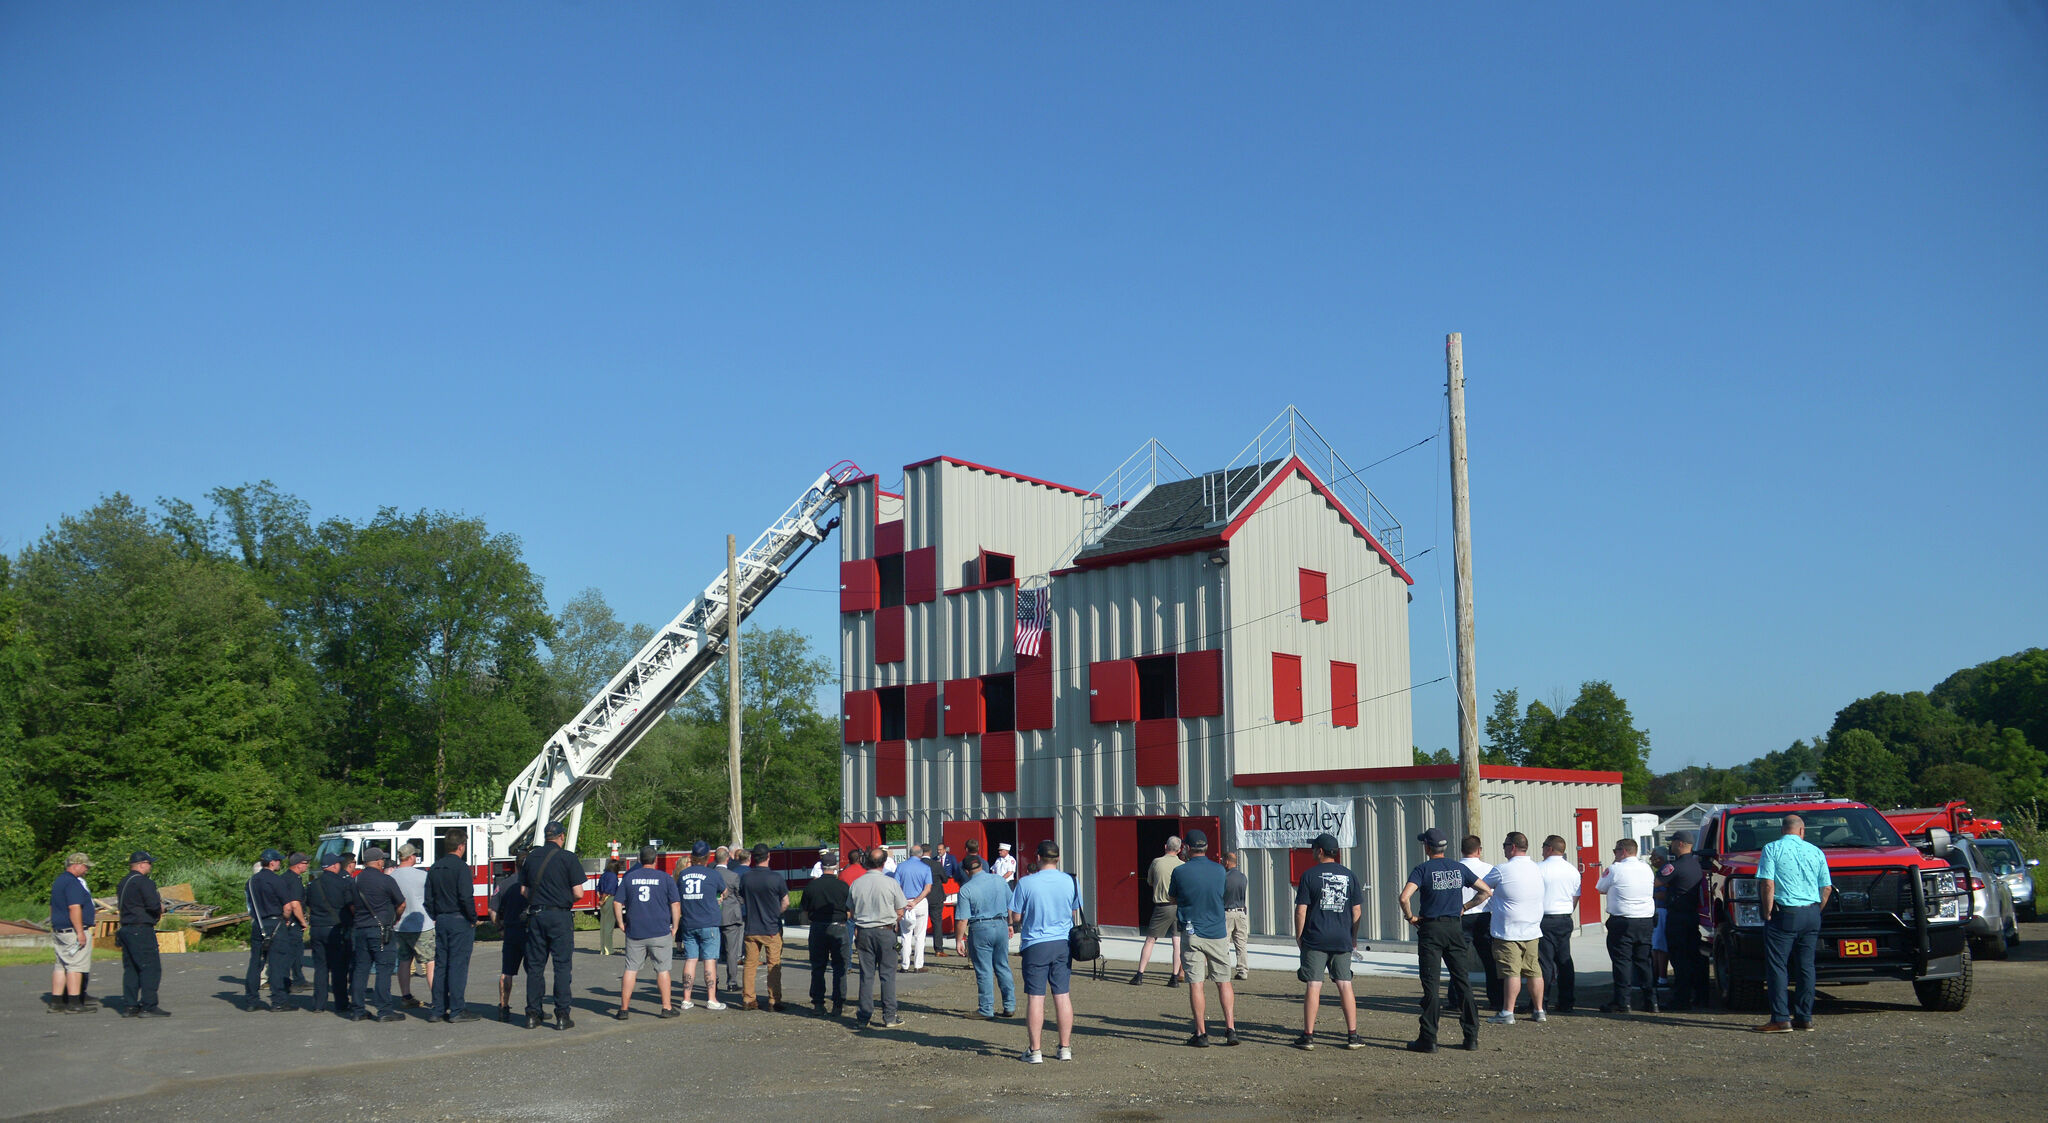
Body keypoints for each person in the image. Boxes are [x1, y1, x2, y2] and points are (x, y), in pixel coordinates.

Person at [1399, 826, 1491, 1052]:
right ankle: (1471, 1037)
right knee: (1463, 982)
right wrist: (1464, 907)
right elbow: (1486, 891)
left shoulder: (1422, 869)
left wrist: (1411, 917)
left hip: (1431, 929)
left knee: (1431, 985)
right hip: (1454, 928)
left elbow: (1404, 897)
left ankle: (1428, 1038)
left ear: (1427, 847)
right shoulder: (1458, 868)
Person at [1753, 813, 1832, 1033]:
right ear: (1802, 830)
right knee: (1806, 966)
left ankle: (1780, 1017)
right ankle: (1804, 1016)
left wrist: (1767, 911)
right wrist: (1817, 909)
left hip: (1786, 912)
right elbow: (1826, 887)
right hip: (1812, 912)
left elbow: (1768, 884)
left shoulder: (1772, 849)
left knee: (1778, 965)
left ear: (1782, 830)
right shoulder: (1816, 852)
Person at [1010, 839, 1081, 1064]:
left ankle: (1035, 1050)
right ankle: (1065, 1048)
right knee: (1062, 995)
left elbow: (1017, 916)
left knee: (1036, 997)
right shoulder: (1071, 881)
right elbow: (1074, 909)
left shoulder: (1025, 883)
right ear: (1058, 858)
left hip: (1035, 943)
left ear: (1037, 857)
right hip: (1063, 942)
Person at [1291, 832, 1364, 1050]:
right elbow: (1357, 910)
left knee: (1314, 984)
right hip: (1342, 937)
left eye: (1314, 848)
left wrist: (1299, 935)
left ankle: (1309, 1036)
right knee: (1345, 984)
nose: (1313, 851)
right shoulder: (1350, 876)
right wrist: (1353, 936)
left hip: (1315, 937)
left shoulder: (1309, 875)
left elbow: (1300, 910)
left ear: (1320, 851)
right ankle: (1352, 1035)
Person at [1168, 829, 1240, 1047]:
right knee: (1223, 981)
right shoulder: (1220, 871)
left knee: (1196, 984)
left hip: (1192, 932)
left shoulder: (1180, 872)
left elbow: (1172, 897)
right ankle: (1231, 1029)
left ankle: (1201, 1033)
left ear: (1187, 849)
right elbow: (1223, 895)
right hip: (1217, 931)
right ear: (1206, 848)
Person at [520, 820, 586, 1030]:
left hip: (537, 916)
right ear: (562, 837)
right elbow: (579, 893)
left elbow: (524, 891)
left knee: (535, 967)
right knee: (562, 967)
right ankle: (562, 1015)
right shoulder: (568, 858)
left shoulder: (531, 858)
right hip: (559, 917)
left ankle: (532, 1014)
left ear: (545, 837)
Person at [1482, 832, 1547, 1025]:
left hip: (1508, 931)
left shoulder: (1502, 869)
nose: (1503, 849)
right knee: (1534, 970)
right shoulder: (1536, 868)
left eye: (1504, 845)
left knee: (1512, 972)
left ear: (1512, 847)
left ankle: (1507, 1012)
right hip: (1532, 929)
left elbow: (1482, 886)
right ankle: (1539, 1010)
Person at [615, 846, 683, 1019]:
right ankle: (666, 1007)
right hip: (659, 930)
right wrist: (675, 926)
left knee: (631, 969)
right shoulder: (665, 878)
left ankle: (624, 1008)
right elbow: (675, 904)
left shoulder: (629, 878)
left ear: (640, 859)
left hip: (635, 931)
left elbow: (617, 902)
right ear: (655, 860)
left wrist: (621, 923)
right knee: (662, 969)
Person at [1597, 838, 1657, 1014]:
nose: (1614, 855)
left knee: (1622, 962)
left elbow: (1600, 888)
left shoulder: (1615, 869)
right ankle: (1651, 1001)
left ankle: (1623, 1002)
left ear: (1622, 851)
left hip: (1623, 921)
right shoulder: (1646, 868)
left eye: (1615, 851)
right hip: (1645, 920)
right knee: (1644, 961)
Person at [850, 845, 908, 1029]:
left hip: (864, 931)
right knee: (887, 975)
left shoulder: (857, 883)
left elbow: (850, 910)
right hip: (886, 931)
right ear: (884, 863)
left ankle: (863, 1017)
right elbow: (900, 910)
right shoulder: (891, 883)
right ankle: (889, 1016)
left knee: (866, 975)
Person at [349, 847, 408, 1023]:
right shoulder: (386, 880)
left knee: (361, 970)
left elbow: (351, 905)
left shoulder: (355, 880)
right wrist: (394, 919)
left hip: (360, 929)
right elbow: (402, 904)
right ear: (379, 861)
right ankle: (384, 1010)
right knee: (384, 969)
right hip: (381, 930)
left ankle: (358, 1010)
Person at [425, 832, 479, 1023]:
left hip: (441, 919)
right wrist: (472, 917)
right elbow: (466, 896)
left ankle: (438, 1009)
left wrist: (435, 915)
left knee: (441, 964)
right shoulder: (461, 868)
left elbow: (428, 899)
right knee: (458, 965)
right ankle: (457, 1009)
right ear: (461, 846)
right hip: (459, 919)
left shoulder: (434, 867)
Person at [954, 854, 1015, 1020]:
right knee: (1002, 965)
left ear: (966, 871)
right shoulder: (999, 880)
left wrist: (959, 940)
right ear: (981, 865)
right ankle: (1009, 1005)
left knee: (984, 969)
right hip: (1001, 924)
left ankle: (986, 1008)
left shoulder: (966, 889)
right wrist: (1010, 924)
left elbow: (962, 919)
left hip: (980, 927)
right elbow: (1012, 904)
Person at [244, 848, 305, 1012]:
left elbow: (250, 905)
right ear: (272, 862)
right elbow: (287, 907)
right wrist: (285, 920)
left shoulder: (251, 881)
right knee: (277, 963)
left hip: (258, 924)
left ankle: (251, 999)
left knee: (255, 963)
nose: (280, 863)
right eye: (278, 860)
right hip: (275, 923)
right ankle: (279, 1001)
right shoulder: (277, 881)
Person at [1658, 831, 1710, 1012]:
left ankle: (1681, 999)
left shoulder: (1674, 866)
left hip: (1677, 918)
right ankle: (1701, 995)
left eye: (1673, 842)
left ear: (1680, 844)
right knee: (1694, 957)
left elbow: (1655, 882)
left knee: (1679, 959)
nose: (1670, 845)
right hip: (1692, 916)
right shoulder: (1697, 865)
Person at [675, 841, 729, 1011]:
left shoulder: (683, 875)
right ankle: (711, 998)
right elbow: (724, 891)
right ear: (707, 857)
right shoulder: (713, 875)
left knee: (690, 959)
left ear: (692, 856)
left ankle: (686, 999)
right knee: (709, 960)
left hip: (689, 922)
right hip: (709, 922)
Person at [115, 851, 169, 1017]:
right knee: (150, 967)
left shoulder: (123, 882)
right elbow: (153, 905)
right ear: (141, 864)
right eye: (149, 863)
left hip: (126, 927)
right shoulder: (144, 883)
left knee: (131, 968)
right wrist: (161, 907)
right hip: (141, 928)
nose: (150, 866)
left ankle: (130, 1005)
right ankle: (149, 1005)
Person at [741, 842, 790, 1011]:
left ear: (753, 858)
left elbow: (741, 898)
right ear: (769, 857)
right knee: (773, 964)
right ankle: (773, 1000)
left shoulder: (746, 877)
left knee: (750, 964)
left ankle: (748, 999)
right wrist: (776, 913)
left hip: (751, 927)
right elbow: (786, 902)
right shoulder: (776, 878)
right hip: (770, 927)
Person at [306, 852, 356, 1015]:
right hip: (336, 929)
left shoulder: (314, 885)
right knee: (339, 968)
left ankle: (318, 1003)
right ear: (334, 866)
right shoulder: (343, 884)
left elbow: (309, 904)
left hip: (317, 928)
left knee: (320, 967)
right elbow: (351, 906)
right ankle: (341, 1003)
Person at [803, 849, 852, 1014]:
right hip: (839, 926)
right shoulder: (843, 886)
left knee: (818, 966)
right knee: (840, 967)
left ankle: (818, 1003)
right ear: (836, 866)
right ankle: (838, 1004)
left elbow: (804, 910)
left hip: (818, 926)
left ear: (821, 866)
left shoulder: (812, 886)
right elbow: (850, 910)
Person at [1130, 836, 1184, 986]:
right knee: (1177, 942)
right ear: (1179, 850)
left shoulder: (1156, 862)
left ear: (1165, 846)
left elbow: (1150, 881)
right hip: (1178, 907)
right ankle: (1174, 977)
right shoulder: (1182, 865)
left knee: (1150, 940)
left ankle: (1140, 974)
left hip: (1162, 906)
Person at [1536, 834, 1581, 1013]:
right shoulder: (1572, 870)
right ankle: (1567, 1001)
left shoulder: (1539, 868)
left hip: (1545, 918)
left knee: (1544, 962)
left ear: (1548, 848)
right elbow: (1575, 897)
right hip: (1564, 917)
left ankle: (1542, 1002)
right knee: (1564, 960)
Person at [388, 844, 436, 1009]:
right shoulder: (422, 875)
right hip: (422, 924)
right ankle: (437, 998)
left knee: (404, 960)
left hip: (400, 924)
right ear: (410, 857)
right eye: (415, 855)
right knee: (430, 961)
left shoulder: (392, 876)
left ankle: (406, 995)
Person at [1458, 835, 1502, 1012]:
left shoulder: (1456, 868)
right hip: (1484, 916)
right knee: (1490, 961)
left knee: (1458, 961)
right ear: (1479, 850)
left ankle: (1457, 999)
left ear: (1462, 850)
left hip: (1461, 915)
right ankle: (1496, 999)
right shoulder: (1489, 869)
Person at [491, 854, 527, 1021]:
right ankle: (535, 1008)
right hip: (529, 932)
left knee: (507, 972)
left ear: (515, 865)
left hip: (511, 931)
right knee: (534, 972)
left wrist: (499, 927)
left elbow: (493, 910)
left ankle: (503, 1007)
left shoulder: (504, 884)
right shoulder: (533, 884)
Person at [893, 842, 933, 974]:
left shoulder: (900, 867)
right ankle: (918, 964)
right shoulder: (925, 868)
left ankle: (904, 965)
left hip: (904, 902)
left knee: (905, 935)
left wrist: (904, 902)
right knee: (920, 935)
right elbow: (927, 888)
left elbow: (896, 887)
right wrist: (915, 901)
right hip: (920, 902)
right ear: (921, 855)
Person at [717, 846, 746, 995]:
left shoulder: (710, 874)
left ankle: (713, 983)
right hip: (731, 916)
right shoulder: (733, 876)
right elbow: (740, 896)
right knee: (732, 951)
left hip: (714, 917)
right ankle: (731, 982)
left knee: (713, 953)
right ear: (727, 859)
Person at [1221, 851, 1251, 981]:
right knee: (1241, 944)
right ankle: (1243, 970)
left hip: (1227, 912)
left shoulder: (1224, 877)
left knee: (1224, 943)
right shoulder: (1243, 877)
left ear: (1227, 862)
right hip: (1241, 912)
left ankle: (1224, 970)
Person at [924, 845, 952, 956]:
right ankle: (938, 949)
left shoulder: (918, 865)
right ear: (930, 853)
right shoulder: (936, 865)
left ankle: (918, 948)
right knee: (937, 923)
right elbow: (945, 879)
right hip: (935, 896)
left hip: (920, 898)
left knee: (918, 924)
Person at [596, 859, 622, 956]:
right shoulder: (613, 876)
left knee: (603, 926)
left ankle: (602, 949)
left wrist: (600, 899)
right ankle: (608, 949)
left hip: (602, 899)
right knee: (609, 926)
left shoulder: (603, 875)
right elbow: (609, 890)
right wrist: (604, 899)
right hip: (609, 899)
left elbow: (598, 888)